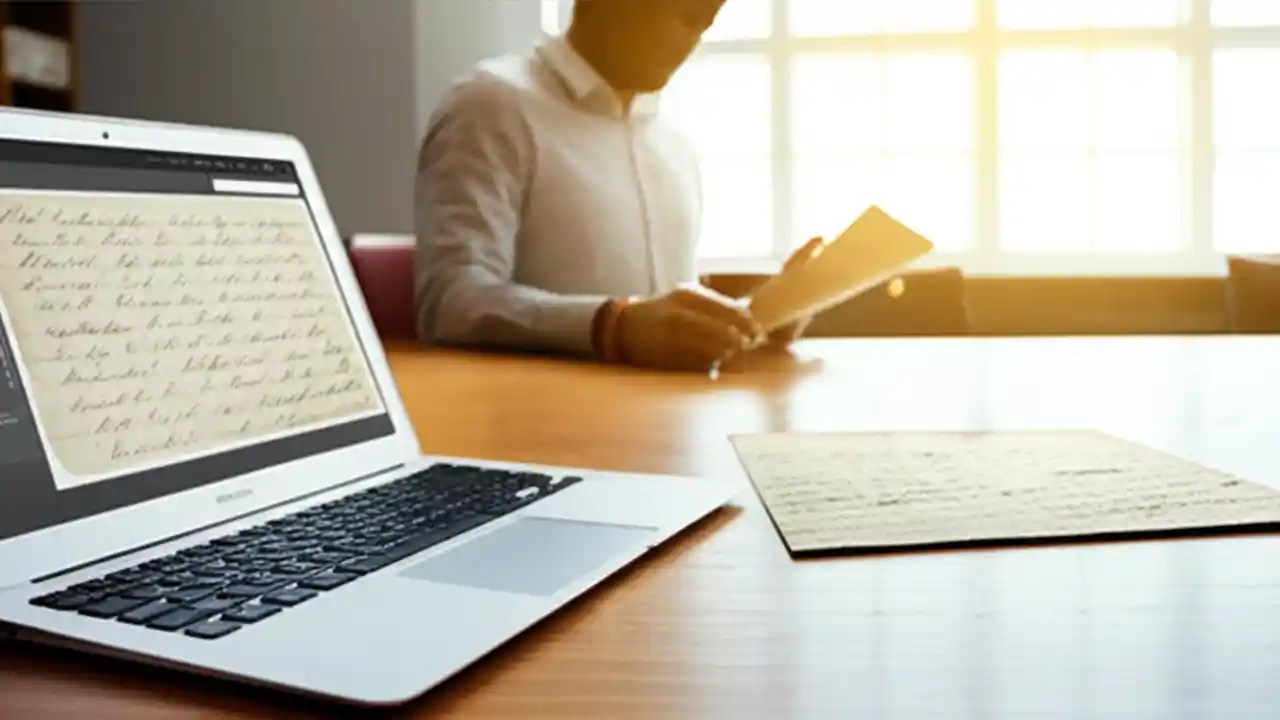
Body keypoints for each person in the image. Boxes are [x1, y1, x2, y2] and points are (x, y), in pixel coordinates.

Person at [414, 0, 819, 371]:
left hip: (665, 429)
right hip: (535, 429)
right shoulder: (491, 106)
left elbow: (659, 314)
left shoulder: (672, 143)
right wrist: (614, 327)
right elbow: (451, 303)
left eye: (704, 22)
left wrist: (755, 318)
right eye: (683, 14)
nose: (692, 39)